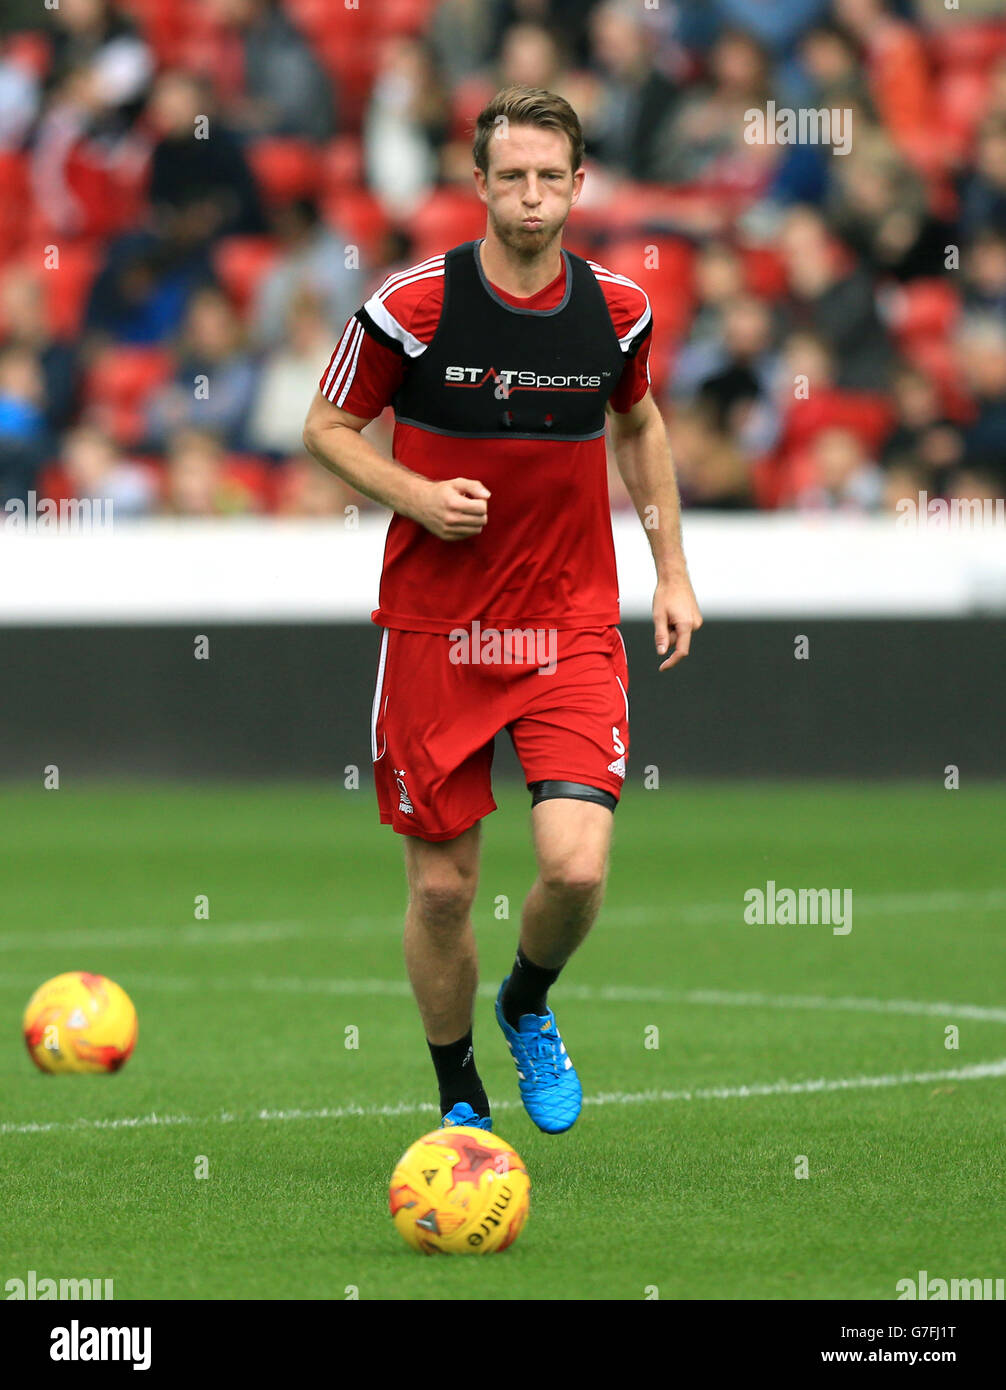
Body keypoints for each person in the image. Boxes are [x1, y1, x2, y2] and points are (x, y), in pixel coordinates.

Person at [303, 85, 702, 1135]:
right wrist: (416, 496)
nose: (530, 196)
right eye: (510, 176)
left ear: (579, 185)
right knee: (440, 892)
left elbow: (640, 426)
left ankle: (526, 1001)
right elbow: (328, 427)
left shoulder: (617, 309)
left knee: (573, 864)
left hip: (566, 619)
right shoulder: (413, 306)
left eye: (549, 176)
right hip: (438, 629)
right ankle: (459, 1099)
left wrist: (669, 570)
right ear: (477, 185)